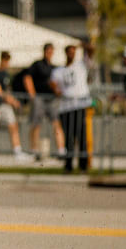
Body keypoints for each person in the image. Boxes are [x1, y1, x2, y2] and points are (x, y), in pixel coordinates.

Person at [50, 44, 93, 173]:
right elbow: (53, 83)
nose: (71, 54)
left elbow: (92, 50)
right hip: (66, 107)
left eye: (73, 52)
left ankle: (83, 166)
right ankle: (68, 166)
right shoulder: (58, 71)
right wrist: (55, 89)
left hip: (79, 106)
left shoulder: (81, 65)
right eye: (69, 52)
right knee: (68, 137)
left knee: (82, 137)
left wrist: (82, 44)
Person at [19, 43, 65, 159]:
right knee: (36, 124)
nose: (49, 54)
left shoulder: (54, 68)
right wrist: (32, 95)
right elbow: (27, 77)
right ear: (44, 51)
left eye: (51, 51)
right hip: (39, 98)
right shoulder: (37, 65)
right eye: (48, 51)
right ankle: (34, 150)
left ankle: (61, 150)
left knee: (56, 123)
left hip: (51, 100)